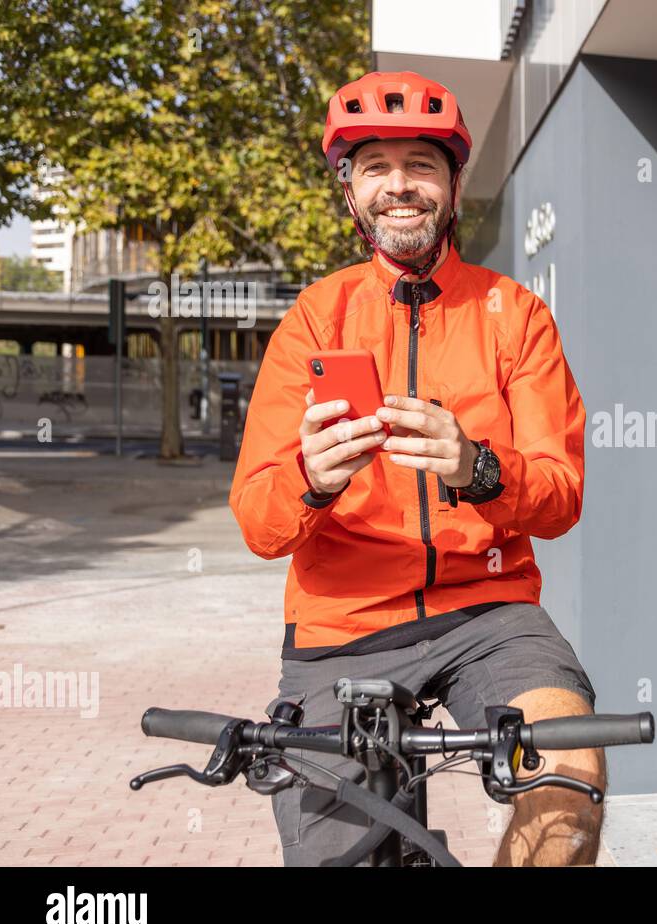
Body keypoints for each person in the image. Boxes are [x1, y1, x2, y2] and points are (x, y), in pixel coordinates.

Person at [227, 71, 602, 867]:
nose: (400, 185)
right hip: (344, 625)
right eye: (376, 166)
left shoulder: (517, 315)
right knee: (342, 858)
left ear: (455, 183)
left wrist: (479, 469)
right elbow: (258, 521)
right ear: (350, 191)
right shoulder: (312, 320)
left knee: (568, 782)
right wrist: (313, 478)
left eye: (422, 165)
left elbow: (561, 496)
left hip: (488, 612)